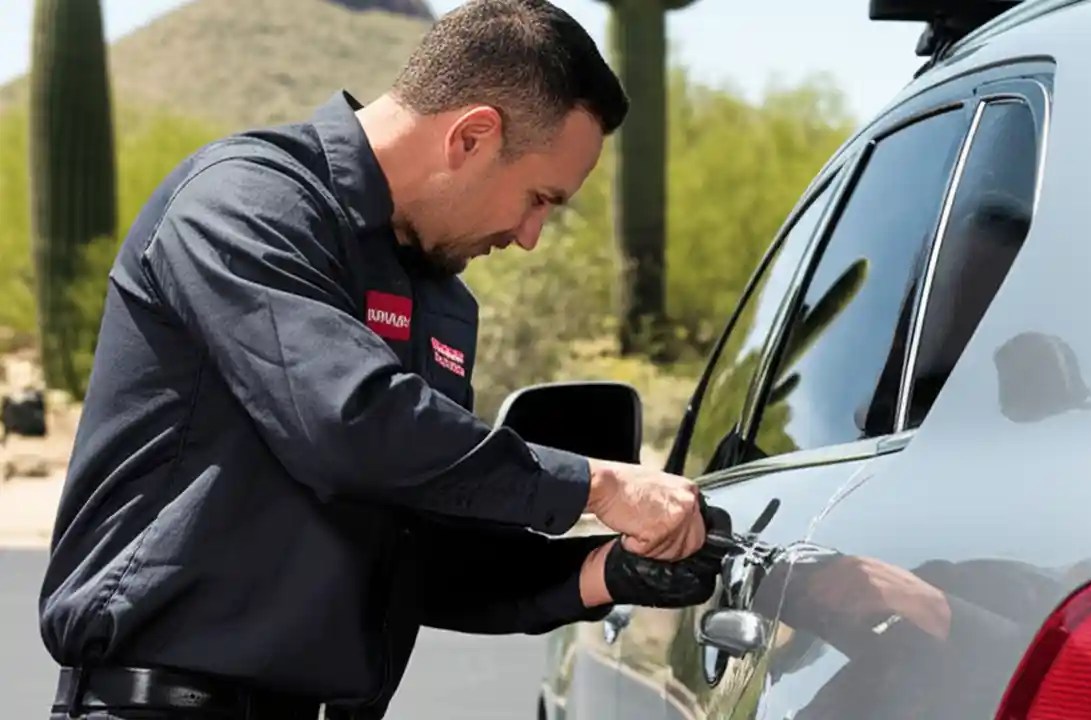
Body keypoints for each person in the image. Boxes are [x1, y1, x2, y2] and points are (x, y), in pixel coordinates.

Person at [38, 1, 724, 717]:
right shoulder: (247, 202)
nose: (530, 236)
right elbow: (349, 424)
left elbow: (419, 548)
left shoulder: (440, 297)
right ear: (472, 136)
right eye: (538, 199)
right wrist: (597, 484)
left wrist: (608, 571)